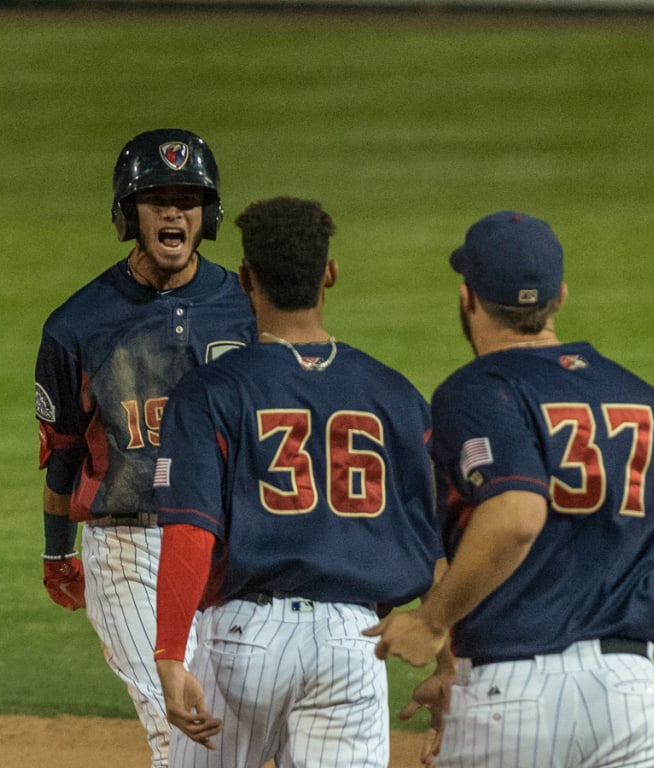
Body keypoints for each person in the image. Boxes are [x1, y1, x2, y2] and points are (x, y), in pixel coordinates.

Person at [369, 211, 654, 768]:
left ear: (467, 298)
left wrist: (432, 622)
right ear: (559, 297)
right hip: (633, 695)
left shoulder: (477, 391)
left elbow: (516, 516)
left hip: (516, 698)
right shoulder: (648, 400)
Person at [151, 196, 443, 767]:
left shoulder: (211, 391)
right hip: (355, 641)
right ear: (329, 274)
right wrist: (451, 661)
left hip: (243, 639)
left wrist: (168, 652)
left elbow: (191, 530)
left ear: (244, 280)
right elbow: (439, 534)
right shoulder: (394, 394)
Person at [33, 128, 256, 767]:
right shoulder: (76, 324)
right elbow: (65, 449)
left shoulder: (246, 309)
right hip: (128, 547)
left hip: (227, 546)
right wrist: (56, 552)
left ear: (206, 214)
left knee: (230, 733)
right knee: (179, 733)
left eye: (187, 199)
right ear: (129, 211)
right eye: (155, 198)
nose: (172, 213)